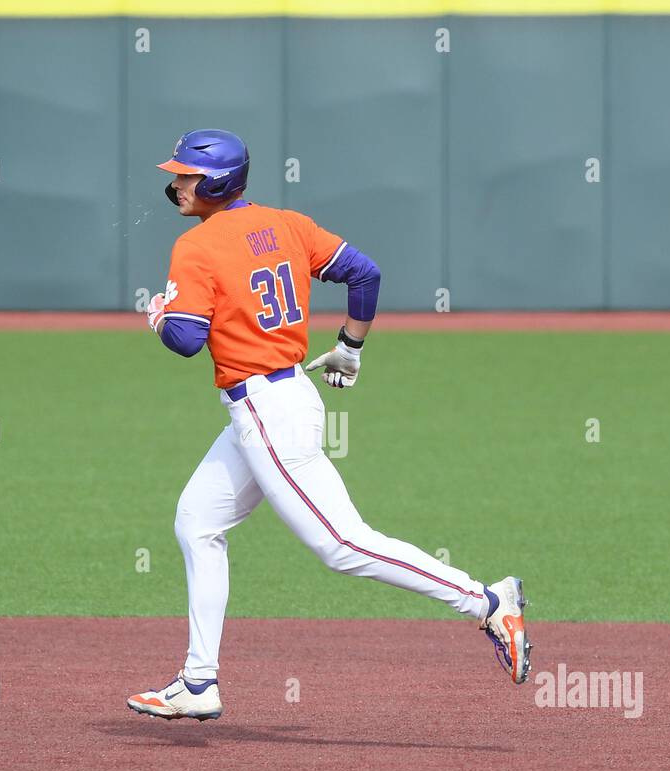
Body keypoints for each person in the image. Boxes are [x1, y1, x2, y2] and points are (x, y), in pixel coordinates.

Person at [127, 129, 531, 721]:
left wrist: (158, 315)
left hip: (266, 412)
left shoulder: (199, 245)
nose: (176, 183)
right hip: (282, 399)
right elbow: (364, 274)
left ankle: (488, 600)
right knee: (197, 520)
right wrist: (350, 346)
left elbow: (187, 339)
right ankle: (198, 682)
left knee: (341, 544)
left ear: (213, 182)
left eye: (185, 174)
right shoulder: (288, 224)